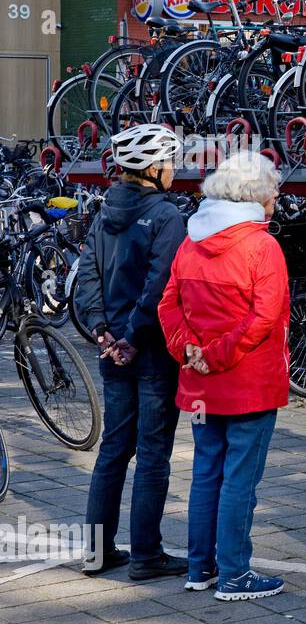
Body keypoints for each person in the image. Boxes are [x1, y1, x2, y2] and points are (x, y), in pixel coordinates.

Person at [158, 152, 290, 600]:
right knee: (240, 479)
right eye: (272, 188)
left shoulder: (191, 242)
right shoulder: (261, 246)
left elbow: (168, 304)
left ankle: (201, 567)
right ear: (253, 195)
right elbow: (265, 318)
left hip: (198, 383)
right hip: (247, 382)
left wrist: (188, 349)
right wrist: (217, 354)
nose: (277, 194)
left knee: (206, 473)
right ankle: (235, 573)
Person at [77, 125, 188, 579]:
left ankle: (96, 552)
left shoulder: (103, 213)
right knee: (153, 453)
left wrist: (103, 333)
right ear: (155, 168)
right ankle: (146, 556)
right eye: (171, 162)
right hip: (152, 353)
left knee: (114, 450)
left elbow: (85, 277)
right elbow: (161, 285)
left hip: (112, 353)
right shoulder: (167, 216)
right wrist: (132, 337)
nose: (175, 170)